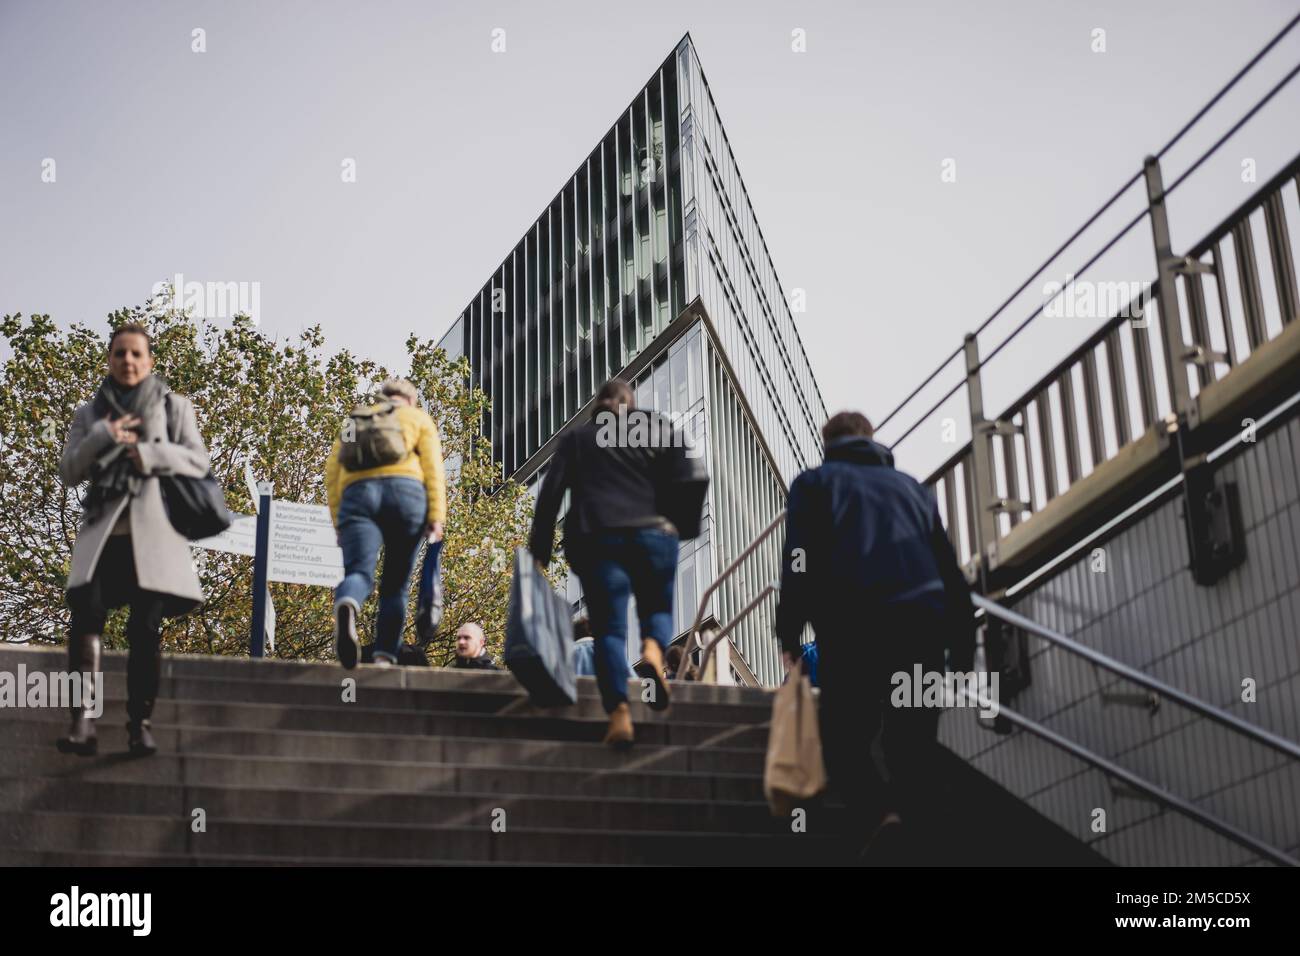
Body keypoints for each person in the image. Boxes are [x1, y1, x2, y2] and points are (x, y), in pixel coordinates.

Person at [773, 411, 975, 862]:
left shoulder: (814, 484)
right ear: (870, 439)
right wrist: (964, 648)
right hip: (922, 629)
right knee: (914, 747)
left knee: (843, 740)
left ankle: (881, 817)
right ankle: (920, 838)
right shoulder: (914, 490)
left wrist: (788, 626)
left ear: (828, 445)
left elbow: (800, 558)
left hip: (853, 629)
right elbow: (950, 572)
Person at [58, 323, 214, 757]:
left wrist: (146, 452)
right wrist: (104, 436)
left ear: (149, 362)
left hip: (154, 537)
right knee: (85, 619)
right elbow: (69, 471)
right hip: (103, 537)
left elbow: (198, 461)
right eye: (119, 353)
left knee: (145, 630)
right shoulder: (88, 413)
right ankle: (82, 722)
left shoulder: (173, 406)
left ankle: (139, 725)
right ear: (109, 360)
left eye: (135, 354)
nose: (127, 360)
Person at [528, 378, 683, 749]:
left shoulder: (578, 440)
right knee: (656, 606)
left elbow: (549, 498)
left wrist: (539, 555)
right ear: (630, 405)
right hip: (652, 535)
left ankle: (619, 715)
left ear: (598, 406)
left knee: (610, 631)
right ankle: (652, 652)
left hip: (598, 538)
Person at [326, 379, 446, 668]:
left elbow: (333, 469)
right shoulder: (418, 418)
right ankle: (384, 656)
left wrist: (338, 520)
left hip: (358, 495)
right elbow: (433, 467)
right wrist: (436, 516)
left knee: (359, 572)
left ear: (381, 397)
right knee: (395, 585)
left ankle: (348, 602)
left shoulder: (355, 419)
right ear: (410, 400)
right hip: (406, 495)